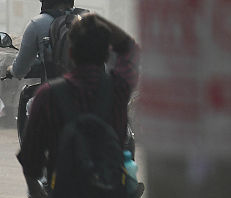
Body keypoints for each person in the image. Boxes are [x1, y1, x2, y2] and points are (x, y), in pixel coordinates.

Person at [17, 13, 140, 198]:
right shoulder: (118, 89)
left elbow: (31, 160)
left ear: (70, 53)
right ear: (107, 54)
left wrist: (36, 190)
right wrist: (95, 18)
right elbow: (130, 48)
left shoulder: (47, 95)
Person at [6, 0, 86, 82]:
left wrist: (11, 70)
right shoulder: (88, 20)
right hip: (92, 94)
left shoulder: (38, 24)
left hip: (55, 95)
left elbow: (20, 70)